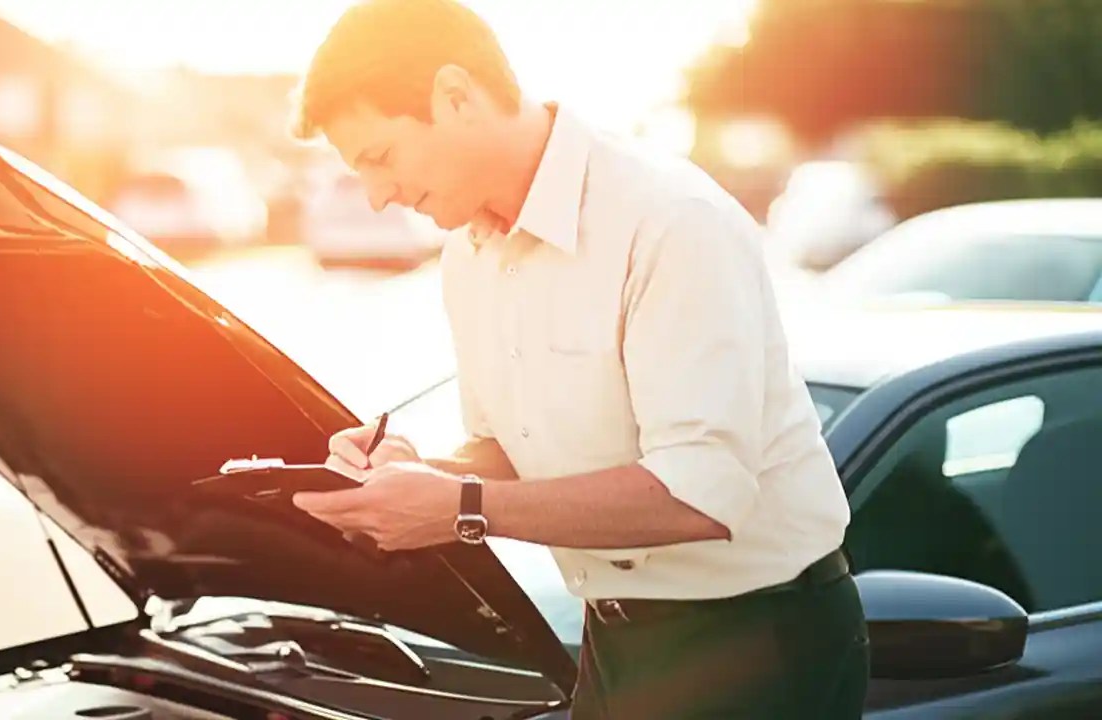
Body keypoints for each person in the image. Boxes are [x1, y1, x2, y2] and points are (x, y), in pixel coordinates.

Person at [287, 1, 868, 717]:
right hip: (613, 644)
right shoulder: (467, 260)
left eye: (379, 158)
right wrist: (419, 473)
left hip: (758, 646)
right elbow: (508, 451)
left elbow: (701, 492)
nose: (377, 197)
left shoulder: (670, 221)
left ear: (457, 95)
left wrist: (461, 508)